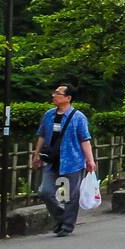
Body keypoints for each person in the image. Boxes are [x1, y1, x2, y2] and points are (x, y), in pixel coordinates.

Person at [31, 83, 97, 237]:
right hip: (52, 160)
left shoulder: (78, 117)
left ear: (68, 98)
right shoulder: (48, 115)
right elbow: (41, 135)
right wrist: (36, 154)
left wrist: (90, 160)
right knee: (45, 191)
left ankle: (66, 225)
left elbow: (84, 140)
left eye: (58, 93)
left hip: (72, 160)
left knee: (69, 195)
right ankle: (62, 218)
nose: (54, 95)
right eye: (54, 93)